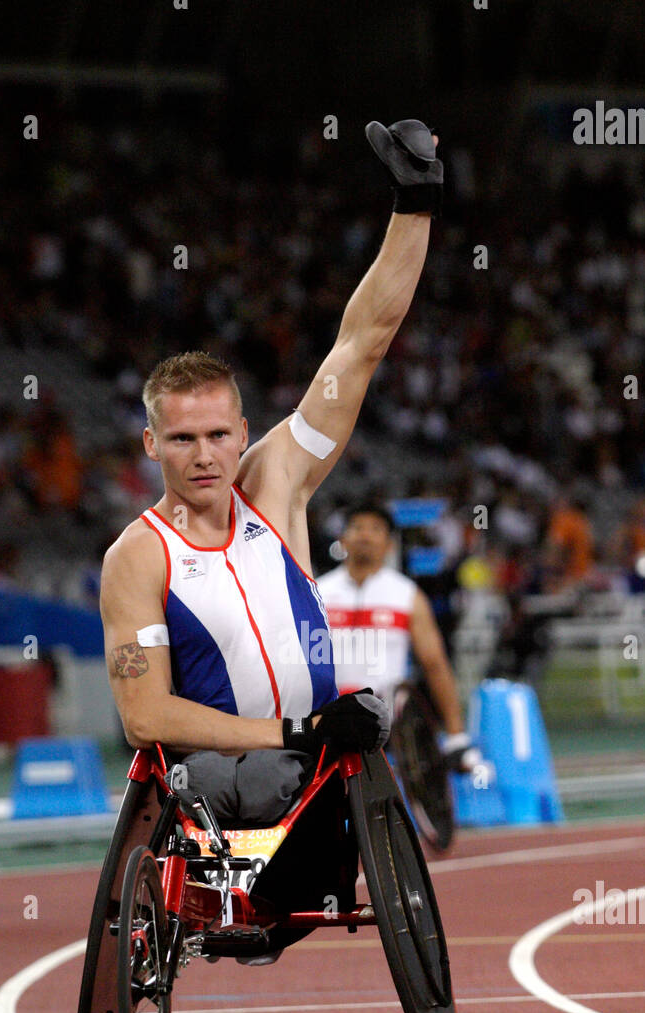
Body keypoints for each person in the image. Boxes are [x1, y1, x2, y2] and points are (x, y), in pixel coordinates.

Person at [99, 120, 444, 956]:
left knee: (358, 746)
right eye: (182, 440)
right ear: (152, 446)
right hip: (215, 772)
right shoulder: (136, 556)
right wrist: (290, 735)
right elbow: (145, 715)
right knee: (286, 758)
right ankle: (235, 908)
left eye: (219, 435)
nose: (206, 456)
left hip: (317, 773)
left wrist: (416, 205)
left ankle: (273, 918)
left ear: (243, 430)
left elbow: (362, 344)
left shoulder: (274, 483)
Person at [317, 502, 476, 767]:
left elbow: (434, 664)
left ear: (390, 544)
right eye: (357, 528)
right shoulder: (318, 591)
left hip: (389, 727)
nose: (365, 535)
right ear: (342, 539)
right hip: (327, 720)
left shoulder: (407, 595)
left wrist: (456, 734)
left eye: (376, 529)